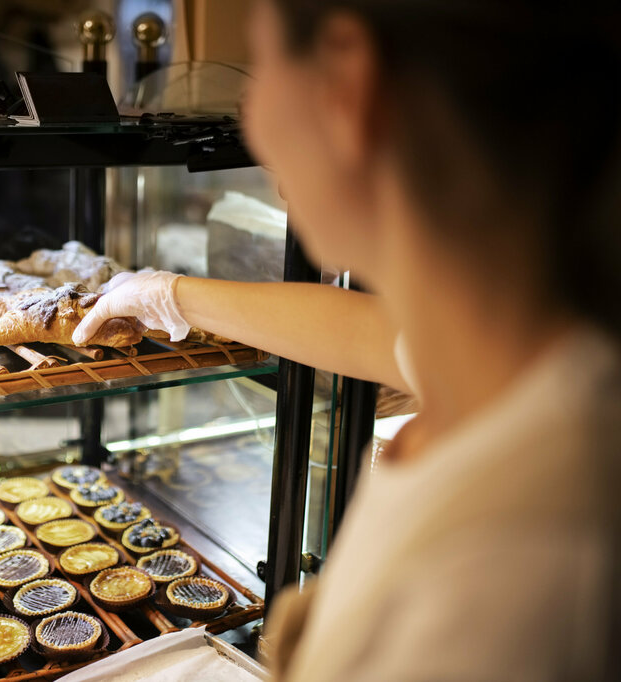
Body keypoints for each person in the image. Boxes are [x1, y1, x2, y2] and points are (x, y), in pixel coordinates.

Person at [74, 1, 621, 679]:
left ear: (347, 87)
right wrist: (170, 294)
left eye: (261, 63)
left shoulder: (501, 573)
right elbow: (380, 334)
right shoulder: (523, 346)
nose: (250, 113)